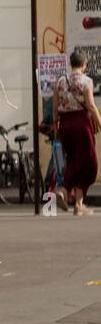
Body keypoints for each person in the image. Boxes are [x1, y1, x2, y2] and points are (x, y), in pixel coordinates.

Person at [53, 49, 101, 215]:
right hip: (81, 125)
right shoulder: (86, 81)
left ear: (70, 64)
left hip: (65, 125)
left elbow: (54, 108)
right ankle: (64, 190)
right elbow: (91, 105)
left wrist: (56, 126)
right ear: (84, 64)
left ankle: (78, 205)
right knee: (90, 163)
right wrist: (99, 121)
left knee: (74, 161)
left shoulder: (60, 81)